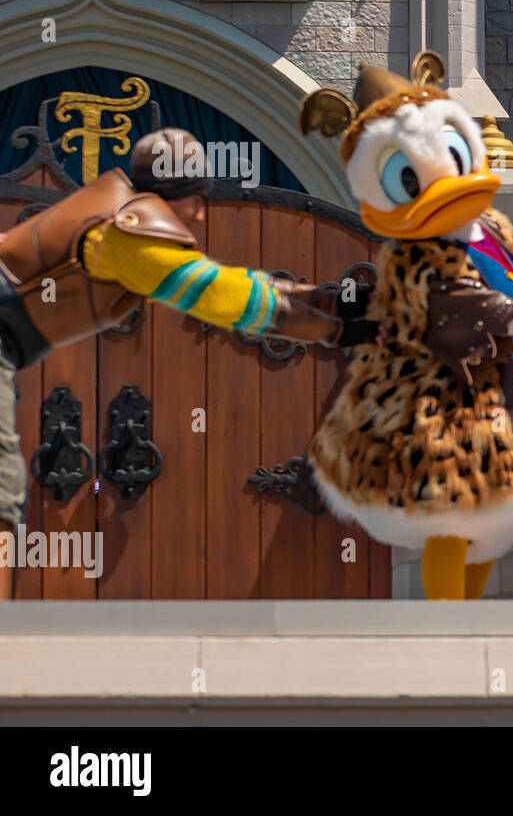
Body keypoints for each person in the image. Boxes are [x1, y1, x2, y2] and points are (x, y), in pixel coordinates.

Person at [0, 129, 375, 599]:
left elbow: (236, 282)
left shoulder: (118, 219)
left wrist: (338, 300)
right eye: (194, 199)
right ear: (170, 197)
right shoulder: (129, 235)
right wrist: (341, 332)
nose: (201, 212)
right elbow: (225, 299)